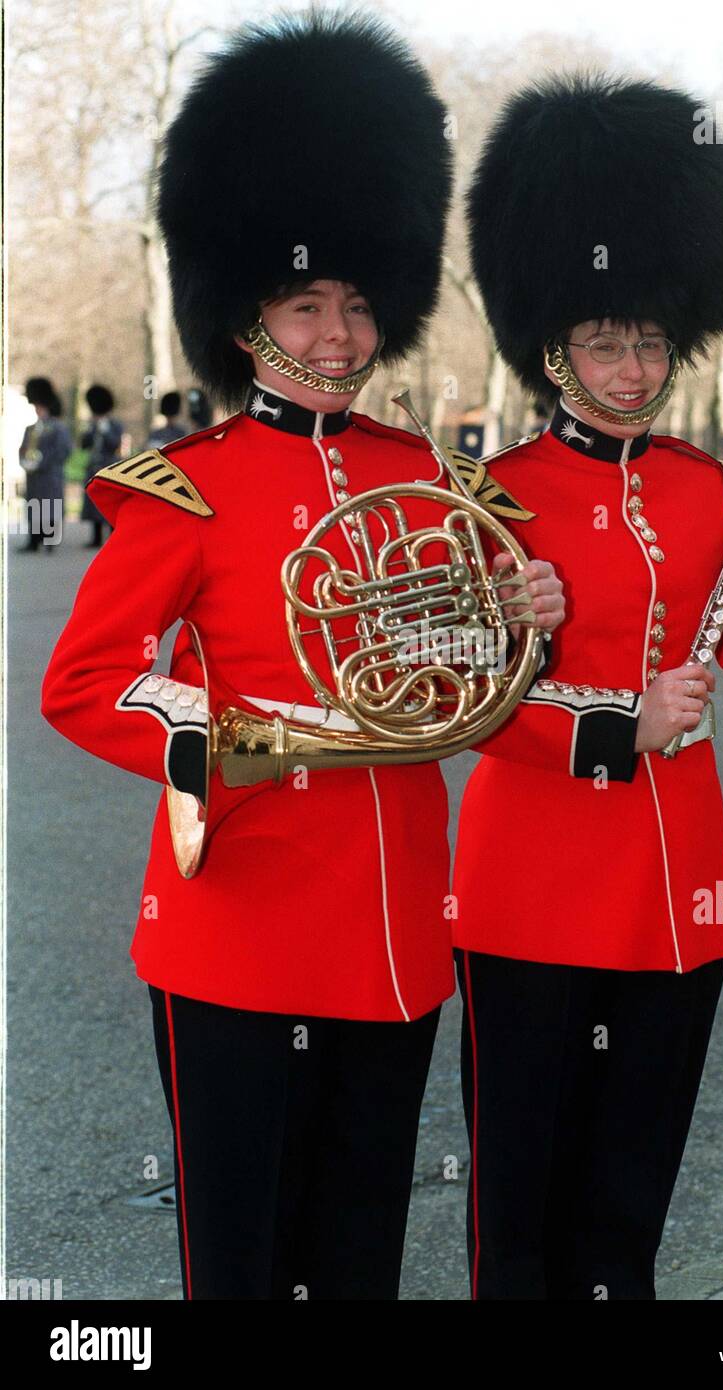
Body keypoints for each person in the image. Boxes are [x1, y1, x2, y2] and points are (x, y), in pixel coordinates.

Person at [41, 10, 562, 1302]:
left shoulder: (426, 480)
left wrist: (520, 626)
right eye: (302, 302)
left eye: (356, 303)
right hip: (240, 926)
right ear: (240, 316)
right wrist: (210, 739)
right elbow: (86, 679)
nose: (337, 334)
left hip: (394, 932)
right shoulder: (188, 488)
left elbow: (466, 684)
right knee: (245, 1260)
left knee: (359, 1253)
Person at [452, 74, 723, 1300]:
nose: (631, 365)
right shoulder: (491, 497)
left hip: (677, 898)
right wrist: (615, 722)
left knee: (627, 1220)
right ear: (552, 345)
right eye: (605, 343)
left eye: (650, 340)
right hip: (530, 896)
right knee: (522, 1220)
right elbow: (466, 708)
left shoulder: (702, 486)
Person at [19, 377, 70, 552]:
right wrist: (25, 461)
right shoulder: (31, 428)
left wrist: (42, 462)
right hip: (34, 476)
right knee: (34, 506)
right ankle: (33, 541)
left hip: (50, 474)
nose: (37, 410)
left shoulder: (58, 427)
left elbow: (63, 450)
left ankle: (50, 540)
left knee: (50, 506)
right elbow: (23, 448)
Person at [80, 384, 123, 547]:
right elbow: (84, 445)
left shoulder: (115, 425)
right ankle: (96, 538)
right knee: (93, 503)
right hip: (93, 466)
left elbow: (115, 444)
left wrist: (104, 430)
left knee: (110, 502)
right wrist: (89, 430)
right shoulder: (91, 425)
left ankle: (113, 537)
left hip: (109, 465)